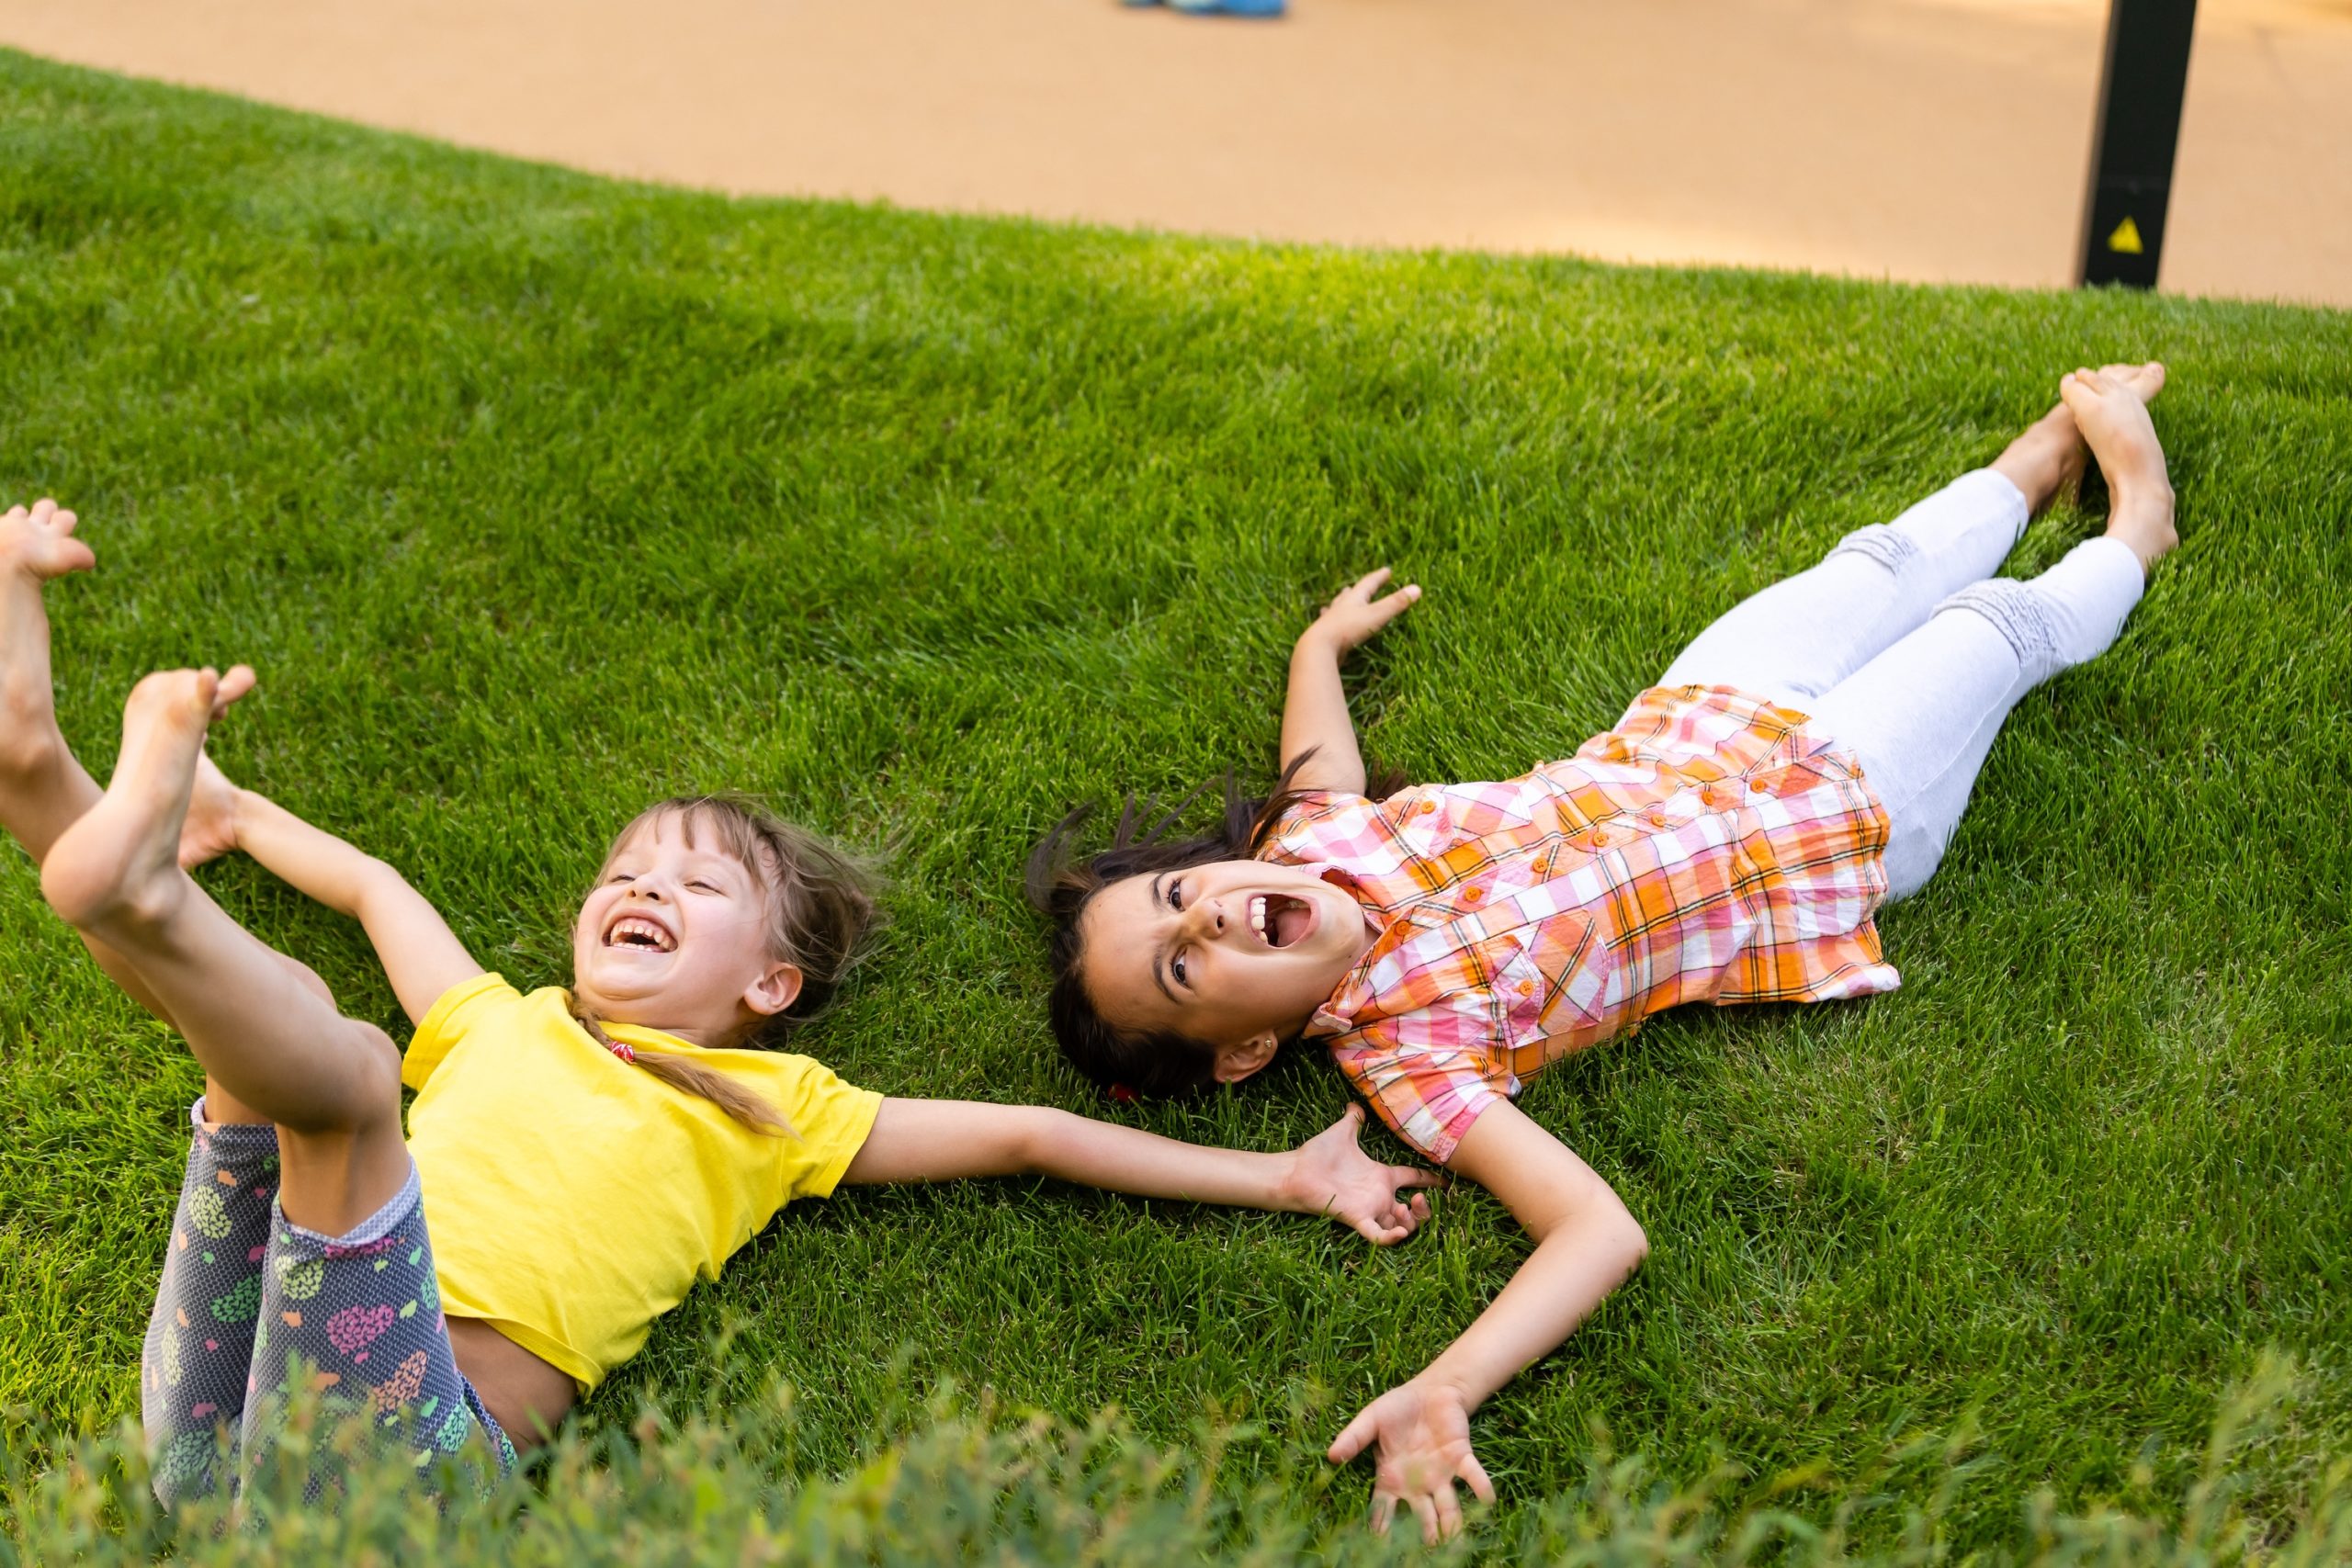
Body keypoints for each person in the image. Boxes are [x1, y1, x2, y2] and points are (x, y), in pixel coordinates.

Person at [0, 501, 1441, 1507]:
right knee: (311, 1053)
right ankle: (32, 759)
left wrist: (1283, 1172)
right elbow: (379, 887)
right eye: (627, 869)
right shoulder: (503, 1017)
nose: (639, 884)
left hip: (405, 1473)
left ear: (770, 984)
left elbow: (1028, 1136)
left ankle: (127, 877)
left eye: (689, 887)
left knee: (338, 1069)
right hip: (223, 1417)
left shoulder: (777, 1109)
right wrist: (244, 818)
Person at [1028, 365, 2178, 1541]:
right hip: (1823, 826)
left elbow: (1315, 750)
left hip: (1700, 713)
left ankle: (2040, 456)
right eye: (1181, 965)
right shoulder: (1412, 1065)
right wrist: (1448, 1385)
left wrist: (1320, 644)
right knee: (1987, 626)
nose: (1208, 915)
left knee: (1874, 564)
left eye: (1180, 893)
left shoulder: (1318, 838)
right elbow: (1595, 1229)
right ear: (1243, 1053)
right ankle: (2139, 519)